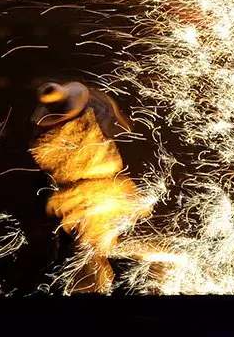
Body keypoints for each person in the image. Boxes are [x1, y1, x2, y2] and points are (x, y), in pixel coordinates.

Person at [29, 81, 149, 293]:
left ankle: (103, 289)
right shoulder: (85, 122)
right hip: (95, 195)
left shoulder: (43, 142)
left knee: (92, 250)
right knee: (94, 249)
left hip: (88, 198)